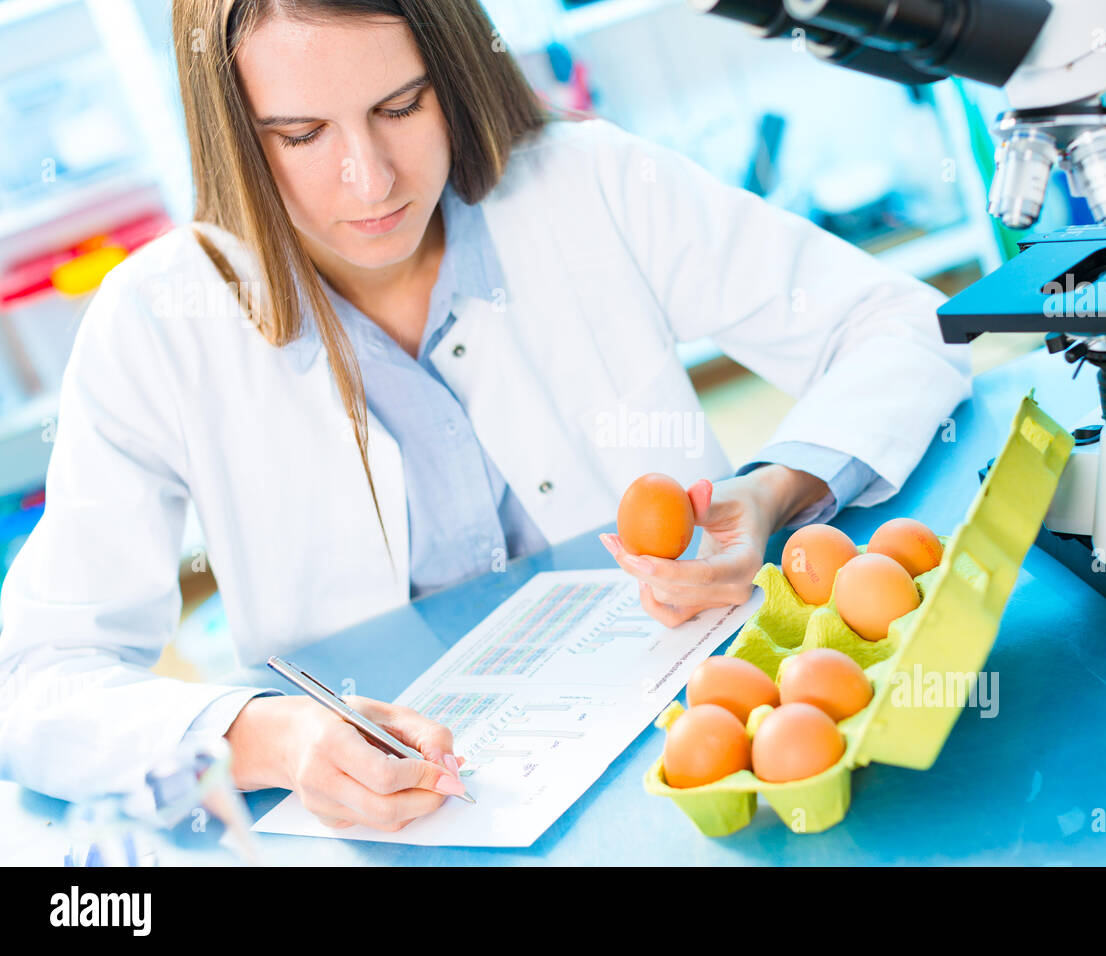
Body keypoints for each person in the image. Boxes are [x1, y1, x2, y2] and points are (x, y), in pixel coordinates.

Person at [0, 0, 971, 832]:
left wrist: (770, 490)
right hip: (390, 824)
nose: (371, 179)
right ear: (231, 132)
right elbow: (32, 679)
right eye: (300, 135)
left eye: (401, 106)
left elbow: (901, 326)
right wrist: (268, 735)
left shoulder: (590, 185)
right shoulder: (159, 322)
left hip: (676, 752)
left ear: (456, 71)